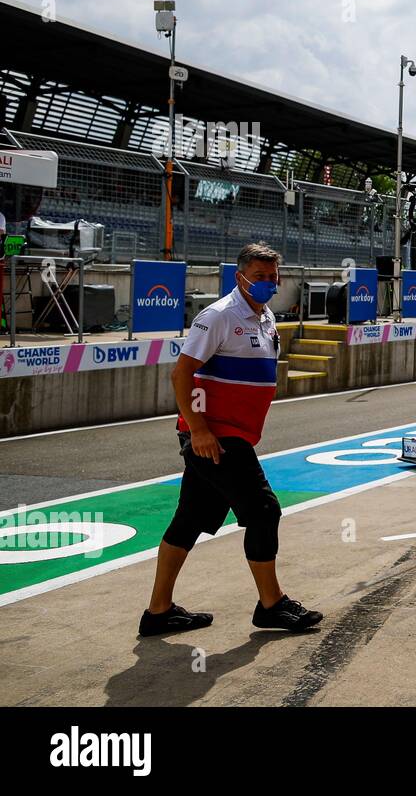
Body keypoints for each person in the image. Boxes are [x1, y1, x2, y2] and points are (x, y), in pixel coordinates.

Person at [140, 242, 323, 637]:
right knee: (264, 511)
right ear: (239, 277)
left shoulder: (266, 316)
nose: (268, 284)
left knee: (188, 521)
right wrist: (199, 429)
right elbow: (181, 375)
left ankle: (158, 612)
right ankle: (271, 605)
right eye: (259, 277)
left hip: (234, 435)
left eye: (273, 277)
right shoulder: (220, 315)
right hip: (216, 438)